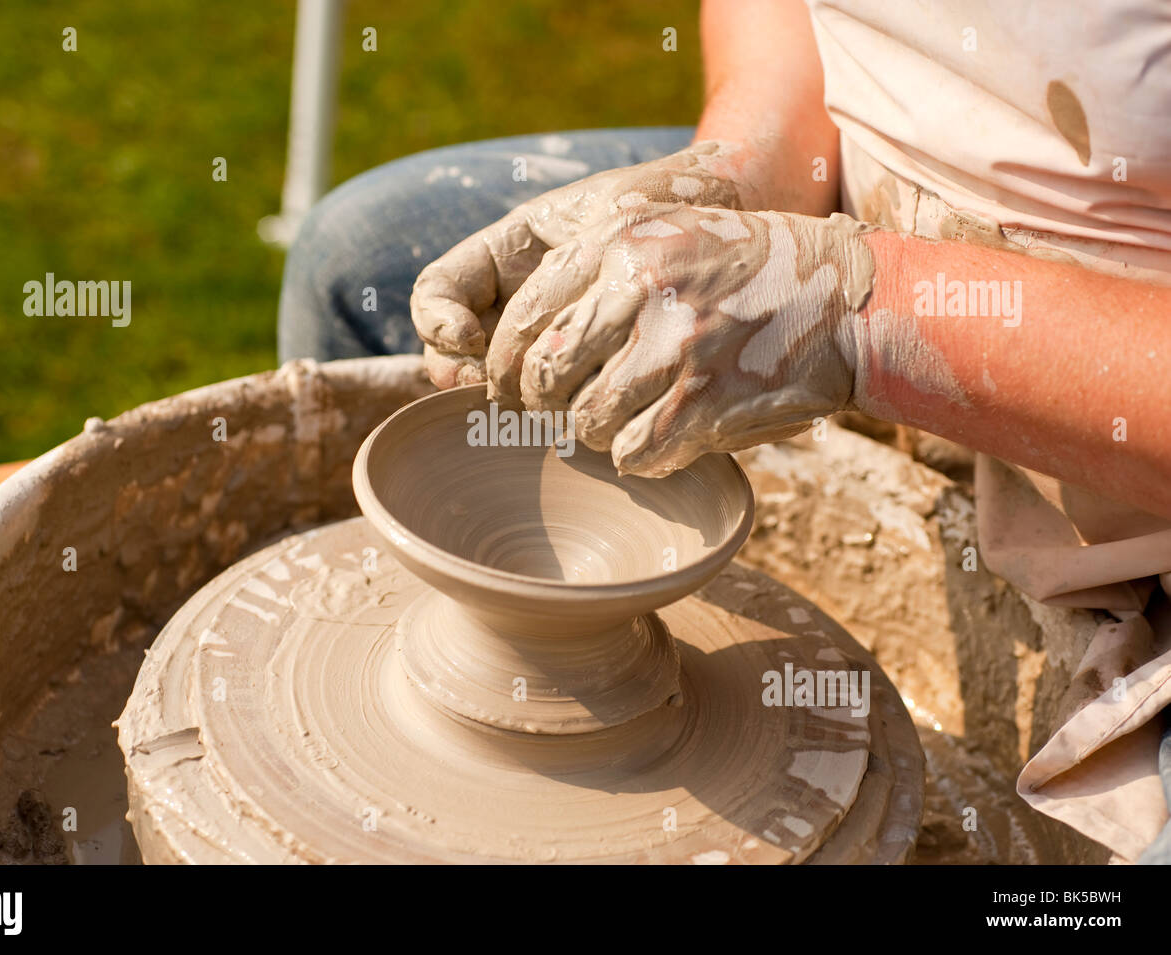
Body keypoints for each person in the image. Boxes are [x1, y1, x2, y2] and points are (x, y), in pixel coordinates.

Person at [278, 0, 1171, 862]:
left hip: (1116, 428)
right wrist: (738, 177)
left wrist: (865, 311)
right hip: (851, 210)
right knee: (356, 265)